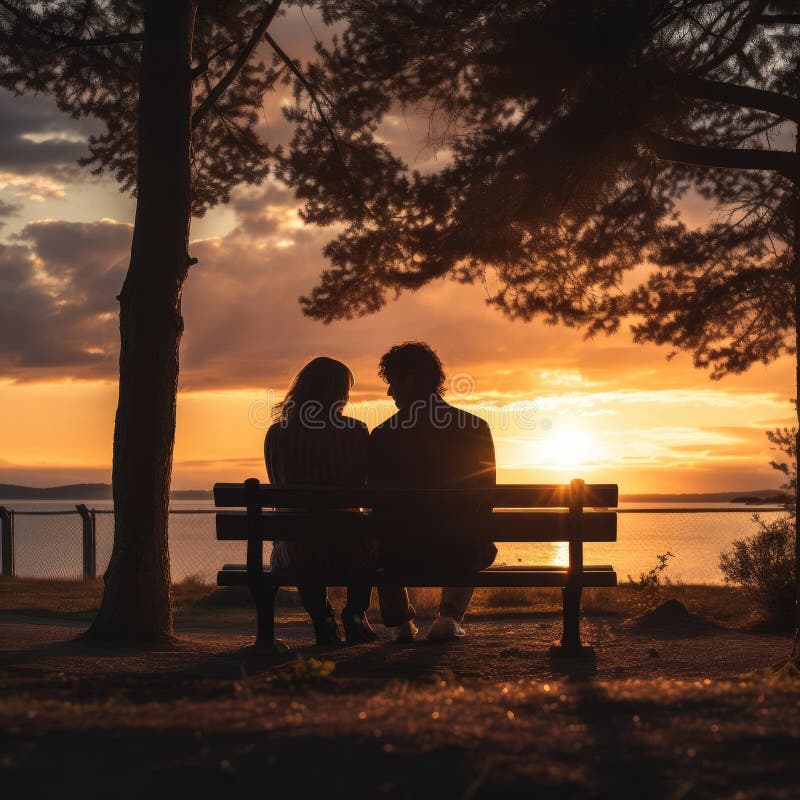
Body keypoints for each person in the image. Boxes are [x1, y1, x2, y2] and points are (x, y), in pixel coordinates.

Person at [368, 341, 497, 642]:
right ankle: (449, 617)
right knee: (473, 533)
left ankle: (399, 622)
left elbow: (375, 503)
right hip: (459, 553)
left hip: (399, 554)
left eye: (393, 382)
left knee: (380, 536)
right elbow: (486, 496)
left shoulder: (383, 435)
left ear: (411, 380)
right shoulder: (475, 428)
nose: (389, 393)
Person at [264, 356, 377, 645]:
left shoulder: (277, 434)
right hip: (349, 549)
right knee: (366, 540)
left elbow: (278, 485)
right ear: (341, 394)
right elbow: (365, 488)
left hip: (295, 552)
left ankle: (321, 617)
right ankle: (354, 613)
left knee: (301, 534)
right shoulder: (356, 431)